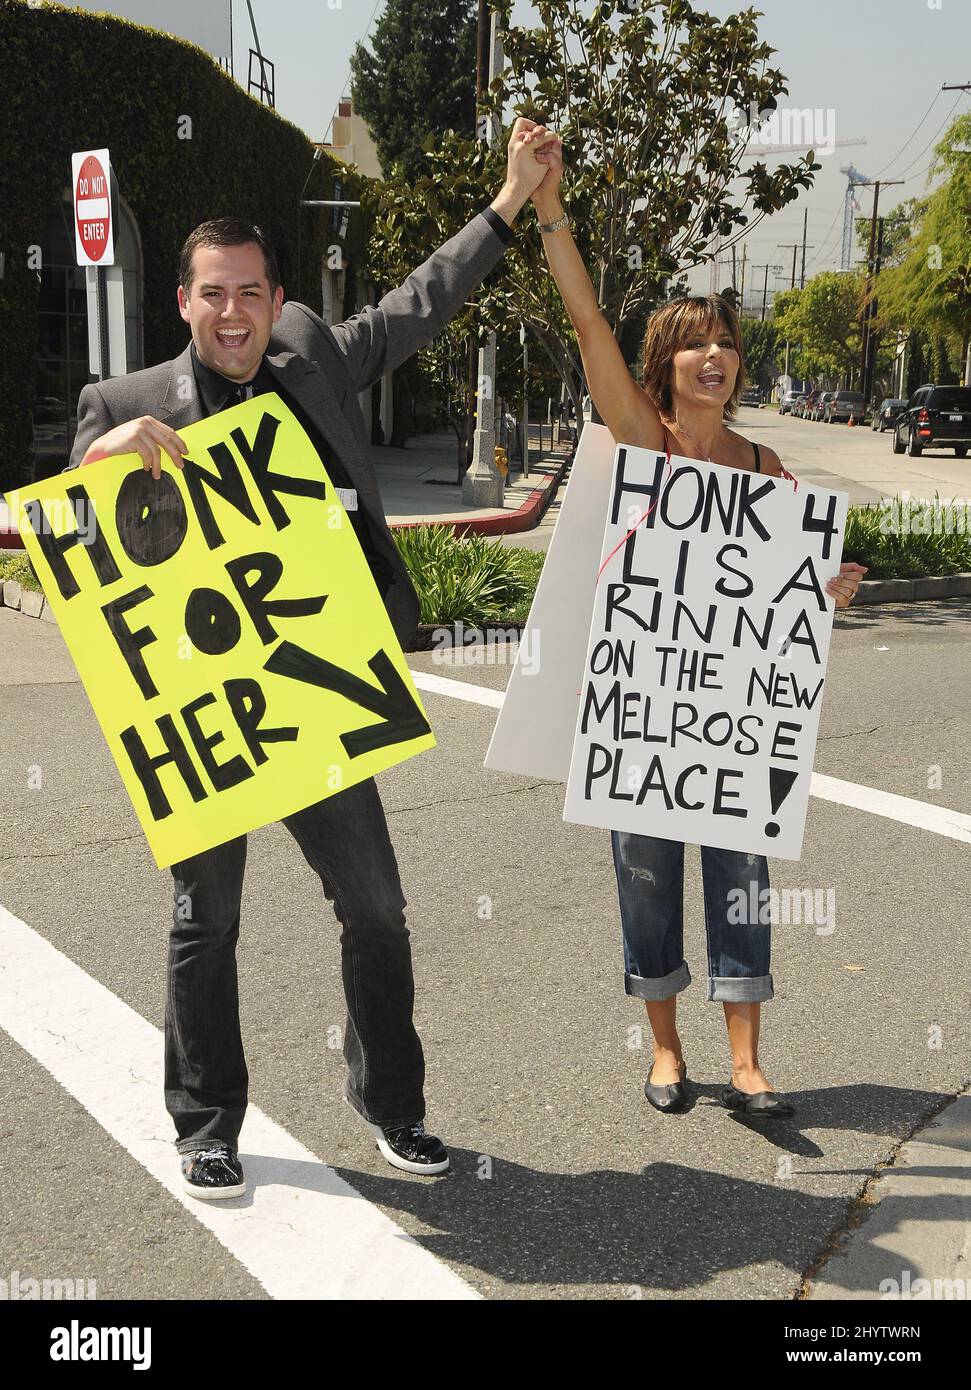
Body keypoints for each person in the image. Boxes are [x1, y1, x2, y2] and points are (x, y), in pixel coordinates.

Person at [66, 118, 559, 1197]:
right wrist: (96, 462)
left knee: (376, 907)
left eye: (250, 292)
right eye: (212, 293)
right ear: (182, 302)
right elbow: (75, 545)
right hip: (207, 710)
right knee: (206, 919)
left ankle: (393, 1105)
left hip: (318, 693)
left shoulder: (316, 364)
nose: (232, 312)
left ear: (275, 297)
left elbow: (420, 301)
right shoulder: (125, 407)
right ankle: (206, 1124)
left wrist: (511, 199)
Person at [525, 125, 867, 1118]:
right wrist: (548, 211)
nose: (713, 356)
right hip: (643, 711)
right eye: (694, 344)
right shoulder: (646, 441)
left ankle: (749, 1064)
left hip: (732, 720)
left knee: (741, 875)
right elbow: (588, 323)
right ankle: (666, 1052)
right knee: (645, 878)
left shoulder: (765, 470)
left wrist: (828, 589)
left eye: (724, 344)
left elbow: (786, 588)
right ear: (663, 364)